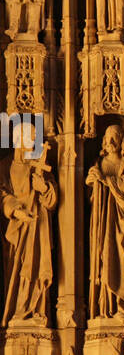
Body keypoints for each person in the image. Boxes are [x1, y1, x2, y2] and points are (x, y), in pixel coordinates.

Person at [86, 123, 124, 319]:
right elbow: (90, 194)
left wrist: (106, 181)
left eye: (114, 137)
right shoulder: (98, 163)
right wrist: (93, 183)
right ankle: (105, 307)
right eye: (107, 137)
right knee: (104, 259)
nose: (110, 141)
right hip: (103, 222)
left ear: (122, 141)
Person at [0, 131, 57, 325]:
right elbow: (2, 194)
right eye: (30, 138)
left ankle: (35, 310)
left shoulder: (40, 165)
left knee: (36, 267)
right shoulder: (6, 166)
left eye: (35, 138)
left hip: (38, 227)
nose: (34, 142)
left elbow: (53, 199)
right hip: (17, 230)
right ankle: (18, 309)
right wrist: (16, 211)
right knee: (17, 269)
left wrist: (45, 188)